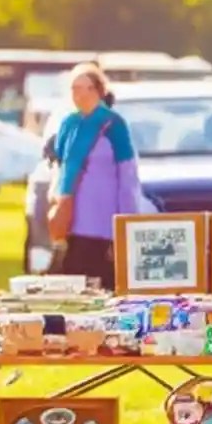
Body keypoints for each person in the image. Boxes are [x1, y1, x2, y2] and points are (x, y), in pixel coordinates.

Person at [49, 63, 139, 288]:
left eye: (82, 88)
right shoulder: (69, 124)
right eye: (73, 88)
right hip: (72, 215)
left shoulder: (113, 124)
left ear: (97, 91)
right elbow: (60, 165)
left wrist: (127, 220)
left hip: (102, 217)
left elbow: (127, 174)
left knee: (100, 276)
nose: (76, 94)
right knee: (72, 276)